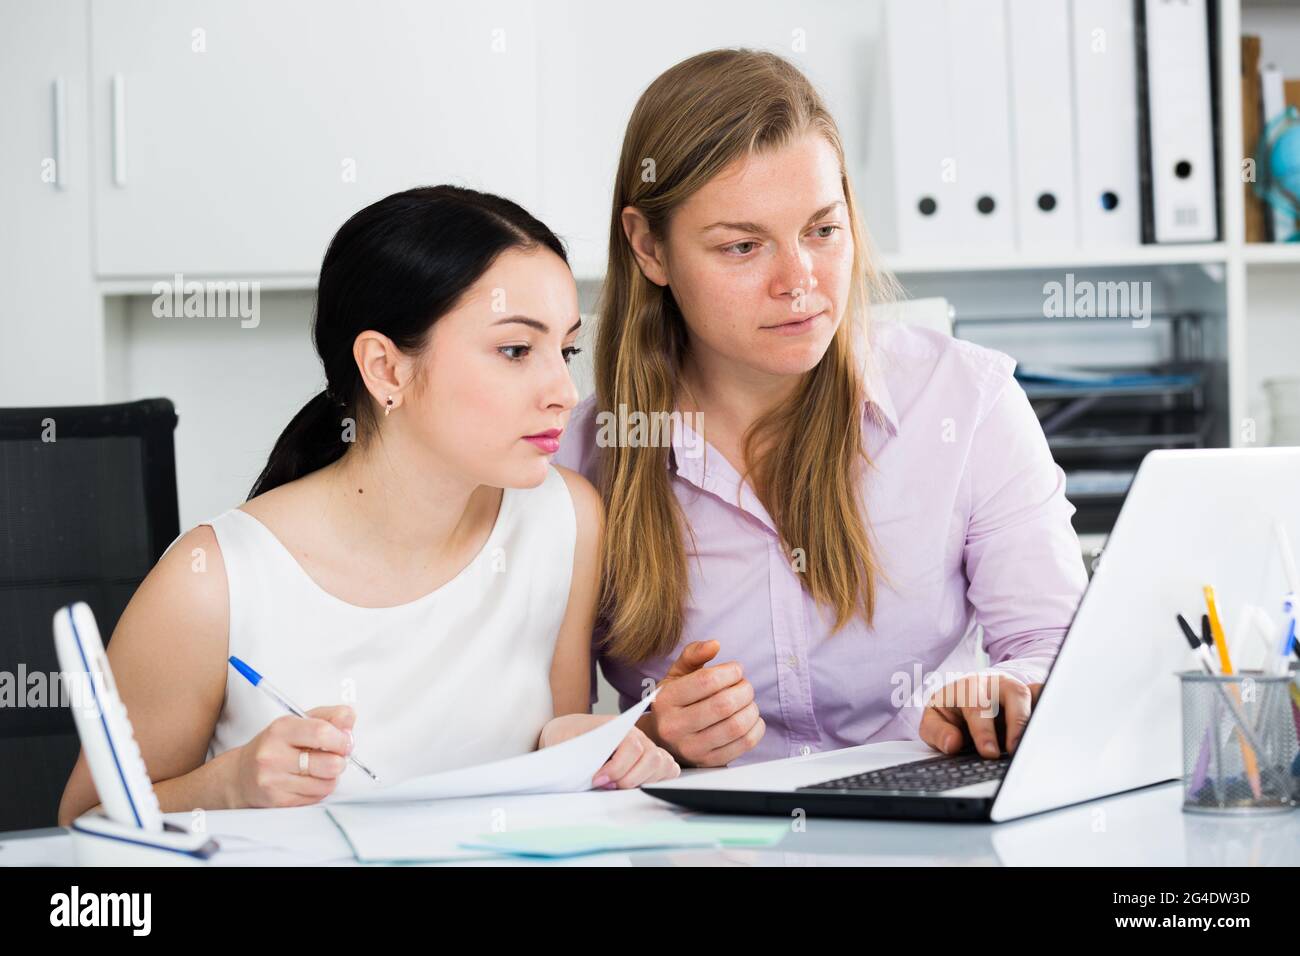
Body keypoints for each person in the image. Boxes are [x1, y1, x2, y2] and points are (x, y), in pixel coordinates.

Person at [58, 185, 678, 825]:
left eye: (566, 349)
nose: (565, 392)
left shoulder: (565, 521)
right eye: (517, 350)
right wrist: (228, 785)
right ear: (386, 369)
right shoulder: (211, 581)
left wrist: (578, 746)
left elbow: (551, 753)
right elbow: (81, 825)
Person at [555, 50, 1088, 768]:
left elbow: (1058, 650)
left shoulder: (968, 403)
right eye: (743, 246)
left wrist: (1007, 693)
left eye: (822, 231)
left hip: (923, 833)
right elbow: (537, 734)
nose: (799, 281)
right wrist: (646, 737)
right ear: (650, 248)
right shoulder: (580, 458)